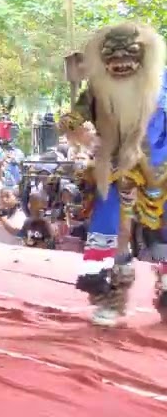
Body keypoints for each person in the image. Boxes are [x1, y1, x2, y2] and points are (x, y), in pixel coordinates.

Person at [59, 23, 167, 327]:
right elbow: (72, 119)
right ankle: (111, 296)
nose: (120, 63)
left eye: (128, 55)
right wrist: (78, 131)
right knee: (111, 234)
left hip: (159, 170)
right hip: (114, 170)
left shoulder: (162, 84)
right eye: (112, 57)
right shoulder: (97, 89)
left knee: (162, 232)